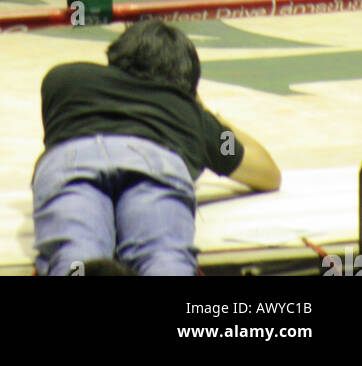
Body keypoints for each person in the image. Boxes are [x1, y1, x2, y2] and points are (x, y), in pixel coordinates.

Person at [32, 19, 280, 276]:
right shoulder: (191, 114)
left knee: (75, 258)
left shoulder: (63, 79)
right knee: (164, 257)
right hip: (157, 161)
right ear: (185, 82)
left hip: (73, 159)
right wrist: (205, 113)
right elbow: (267, 172)